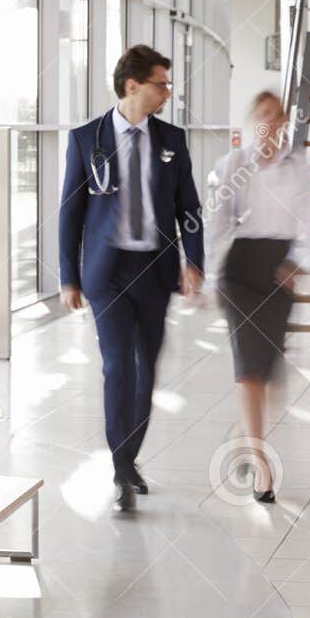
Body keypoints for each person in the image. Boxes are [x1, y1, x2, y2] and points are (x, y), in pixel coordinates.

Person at [59, 45, 204, 514]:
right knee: (116, 367)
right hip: (108, 273)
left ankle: (129, 457)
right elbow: (71, 213)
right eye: (161, 83)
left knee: (146, 372)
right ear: (132, 86)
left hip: (155, 270)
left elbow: (189, 209)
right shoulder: (87, 139)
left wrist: (194, 262)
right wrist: (68, 277)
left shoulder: (172, 140)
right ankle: (121, 470)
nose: (167, 92)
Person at [208, 91, 310, 503]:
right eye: (263, 116)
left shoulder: (298, 168)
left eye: (277, 116)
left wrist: (297, 261)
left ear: (286, 121)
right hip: (239, 272)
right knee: (249, 371)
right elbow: (216, 224)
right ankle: (262, 468)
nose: (271, 123)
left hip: (278, 272)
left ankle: (245, 434)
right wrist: (208, 278)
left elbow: (309, 222)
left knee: (267, 373)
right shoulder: (232, 165)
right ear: (252, 120)